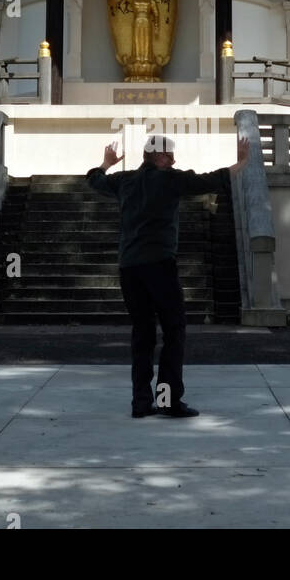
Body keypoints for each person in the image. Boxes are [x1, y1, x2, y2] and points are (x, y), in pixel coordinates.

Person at [87, 132, 250, 418]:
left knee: (143, 334)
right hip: (159, 265)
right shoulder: (171, 180)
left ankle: (141, 402)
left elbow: (94, 180)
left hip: (129, 268)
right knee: (174, 331)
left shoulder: (123, 181)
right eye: (169, 155)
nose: (174, 160)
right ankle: (168, 400)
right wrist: (242, 162)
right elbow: (211, 179)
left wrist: (105, 163)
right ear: (157, 157)